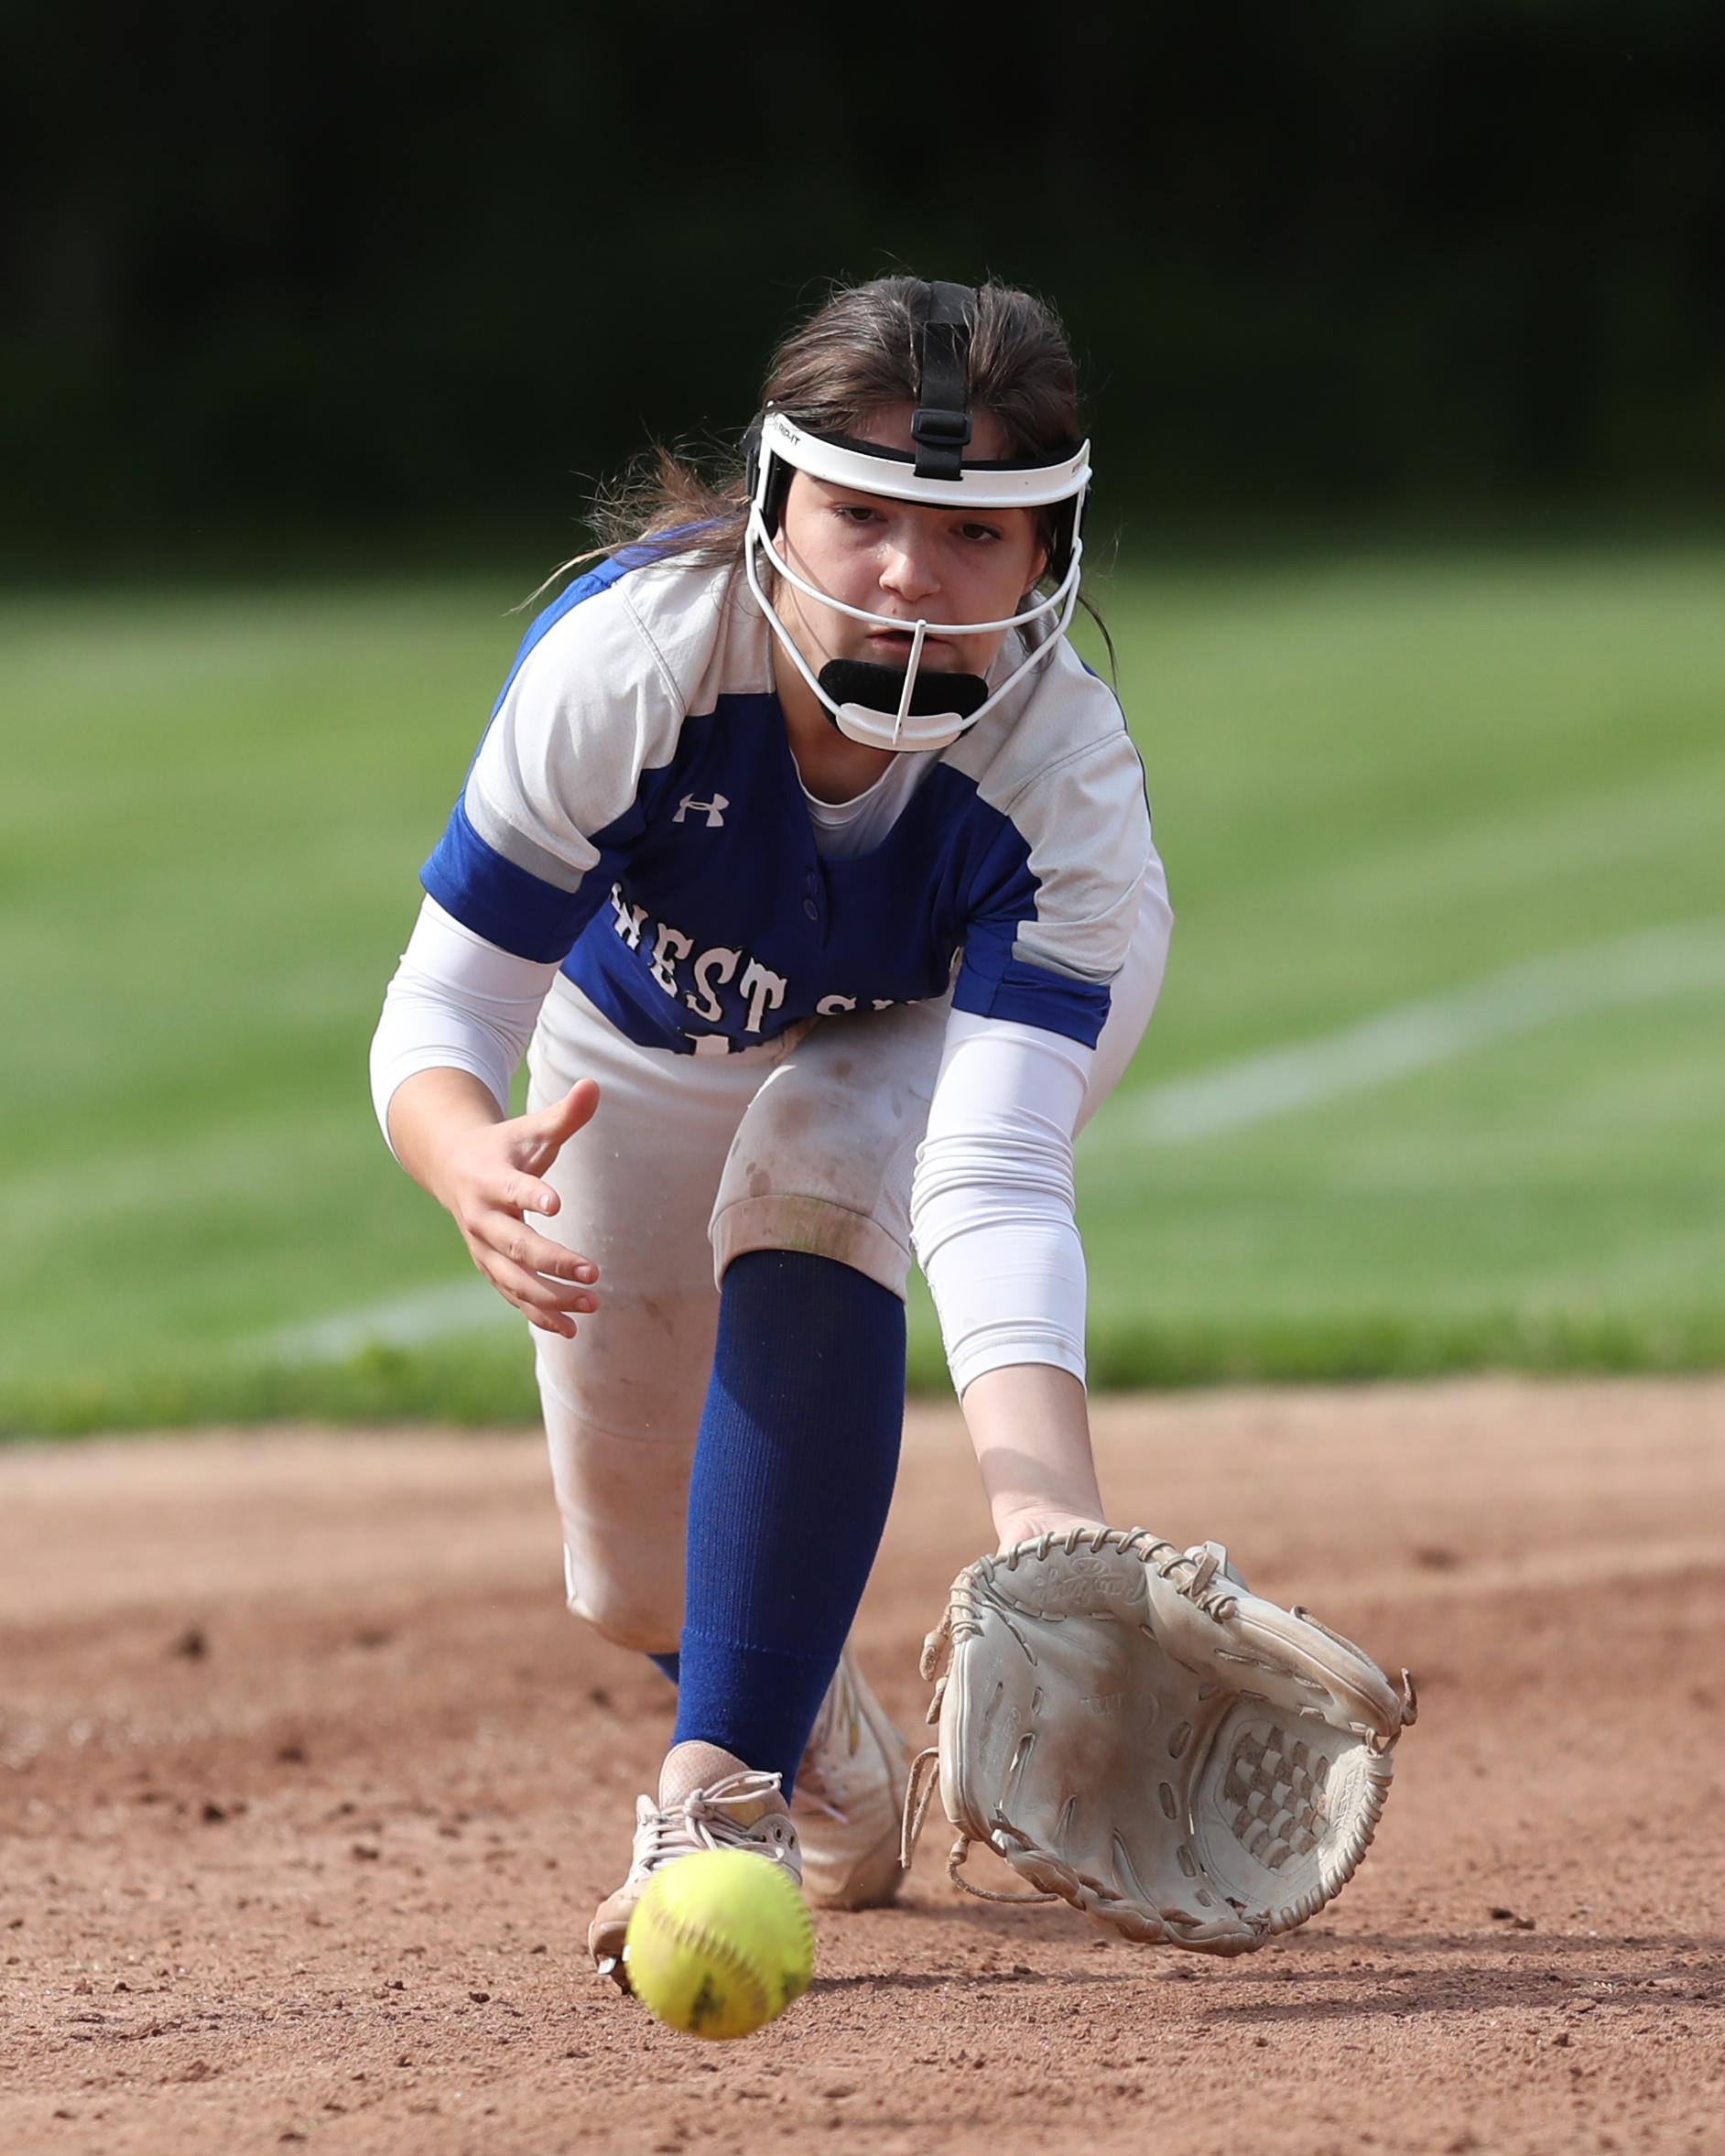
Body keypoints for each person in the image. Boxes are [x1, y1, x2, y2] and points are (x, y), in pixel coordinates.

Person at [368, 276, 1172, 1980]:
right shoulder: (637, 657)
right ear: (776, 498)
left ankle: (713, 1792)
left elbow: (995, 1168)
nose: (906, 574)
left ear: (1049, 553)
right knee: (632, 1590)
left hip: (922, 1031)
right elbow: (443, 1014)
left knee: (823, 1167)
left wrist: (1050, 1538)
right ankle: (808, 1724)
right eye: (864, 512)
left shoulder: (1061, 777)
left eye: (973, 534)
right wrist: (459, 1155)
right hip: (636, 1037)